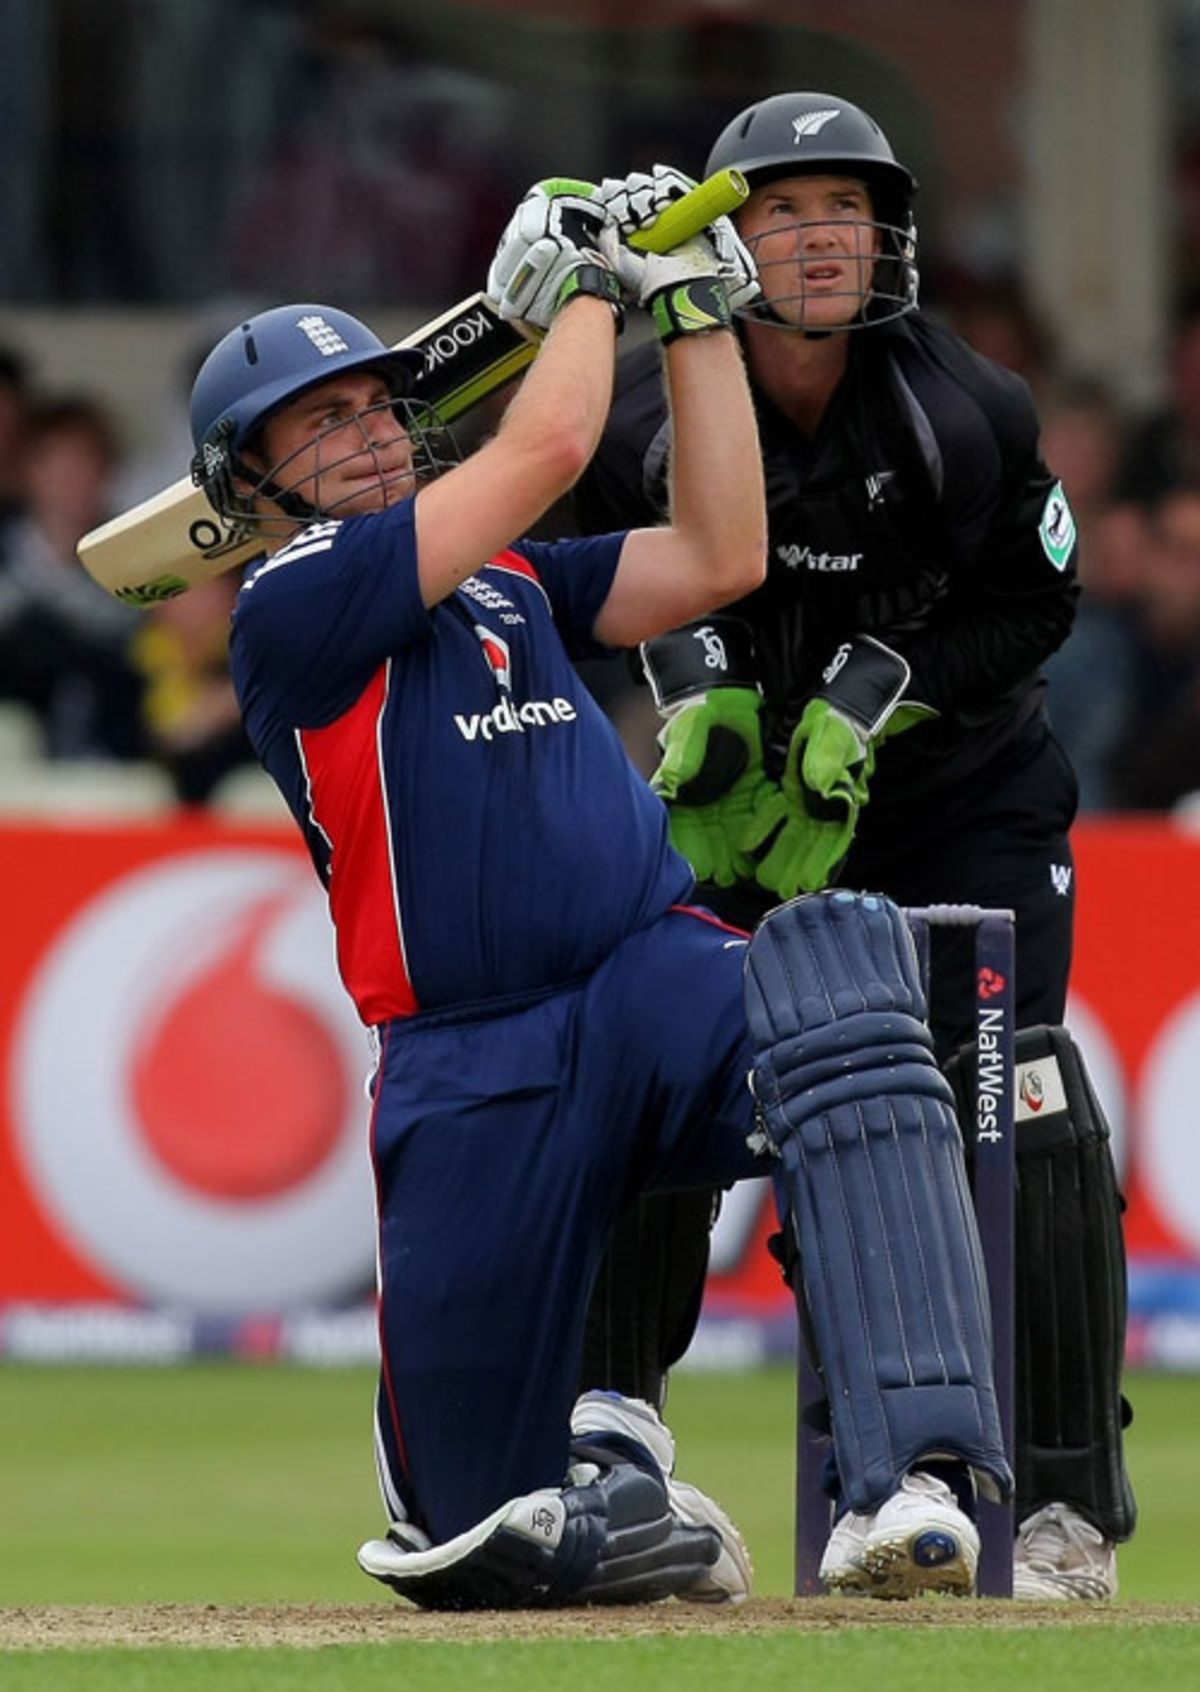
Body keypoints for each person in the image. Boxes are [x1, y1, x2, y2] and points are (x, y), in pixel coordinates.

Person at [187, 177, 1012, 1609]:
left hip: (646, 980)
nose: (371, 433)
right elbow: (558, 434)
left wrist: (694, 313)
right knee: (474, 1545)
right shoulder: (293, 605)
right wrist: (592, 279)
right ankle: (615, 1509)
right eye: (322, 423)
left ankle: (910, 1487)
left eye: (379, 407)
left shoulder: (507, 581)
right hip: (473, 1068)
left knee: (838, 965)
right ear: (249, 485)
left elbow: (720, 555)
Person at [574, 95, 1136, 1601]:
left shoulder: (964, 407)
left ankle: (1064, 1510)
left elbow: (1035, 604)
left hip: (963, 799)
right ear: (726, 239)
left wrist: (880, 696)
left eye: (847, 207)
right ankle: (616, 1462)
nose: (820, 236)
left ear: (886, 235)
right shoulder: (638, 414)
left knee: (1021, 1101)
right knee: (662, 1074)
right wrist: (689, 682)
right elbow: (550, 580)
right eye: (782, 208)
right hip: (741, 810)